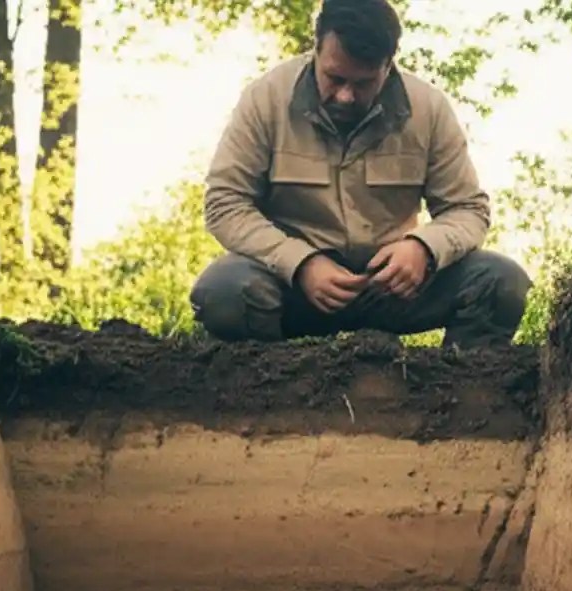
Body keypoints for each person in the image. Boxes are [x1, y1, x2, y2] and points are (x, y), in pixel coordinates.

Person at [189, 0, 531, 349]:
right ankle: (271, 394)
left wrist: (423, 249)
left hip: (391, 288)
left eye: (364, 83)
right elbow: (224, 202)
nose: (346, 96)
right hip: (290, 287)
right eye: (335, 78)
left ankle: (461, 394)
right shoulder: (265, 99)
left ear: (388, 64)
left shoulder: (429, 109)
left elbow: (468, 209)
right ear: (316, 48)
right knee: (223, 291)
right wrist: (300, 263)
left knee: (501, 282)